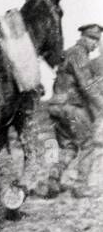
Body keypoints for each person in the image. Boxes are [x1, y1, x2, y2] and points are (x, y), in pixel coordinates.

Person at [45, 22, 103, 198]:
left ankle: (53, 180)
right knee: (88, 145)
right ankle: (80, 187)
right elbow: (86, 85)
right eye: (93, 39)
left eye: (97, 40)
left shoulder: (68, 53)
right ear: (84, 38)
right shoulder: (79, 54)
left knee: (68, 147)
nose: (95, 44)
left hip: (55, 106)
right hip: (71, 108)